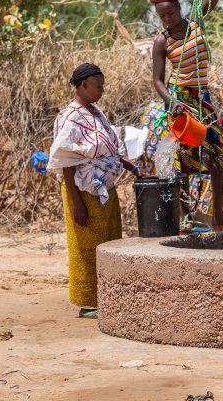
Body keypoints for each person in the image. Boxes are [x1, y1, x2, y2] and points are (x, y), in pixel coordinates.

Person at [149, 0, 223, 230]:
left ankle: (217, 216)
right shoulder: (161, 42)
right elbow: (157, 80)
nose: (167, 18)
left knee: (217, 154)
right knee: (184, 160)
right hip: (180, 100)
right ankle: (187, 218)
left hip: (202, 98)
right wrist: (171, 102)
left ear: (180, 7)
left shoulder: (197, 22)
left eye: (171, 13)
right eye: (162, 15)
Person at [47, 63, 142, 318]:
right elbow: (67, 163)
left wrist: (132, 168)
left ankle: (106, 296)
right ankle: (88, 302)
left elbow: (109, 147)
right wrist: (76, 203)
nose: (102, 90)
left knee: (109, 239)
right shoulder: (70, 117)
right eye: (98, 86)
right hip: (83, 191)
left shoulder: (96, 112)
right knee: (87, 245)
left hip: (104, 188)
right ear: (84, 84)